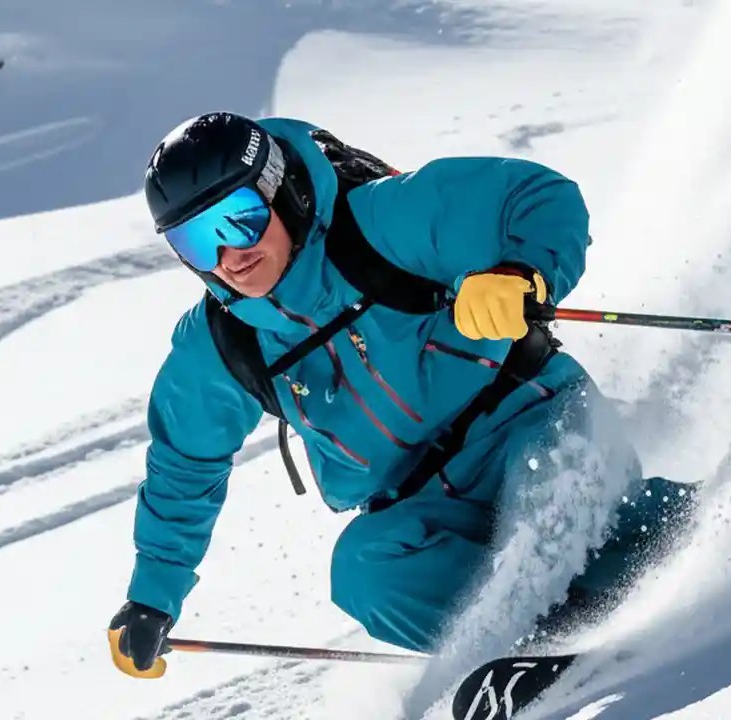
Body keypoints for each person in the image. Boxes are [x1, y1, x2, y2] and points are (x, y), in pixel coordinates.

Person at [106, 112, 694, 678]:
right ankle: (549, 651)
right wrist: (152, 598)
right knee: (366, 572)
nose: (228, 257)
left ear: (280, 191)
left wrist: (521, 274)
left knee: (549, 514)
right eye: (194, 241)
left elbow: (536, 197)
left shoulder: (380, 224)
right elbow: (183, 467)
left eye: (238, 219)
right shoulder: (224, 342)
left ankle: (718, 519)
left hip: (535, 417)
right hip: (420, 503)